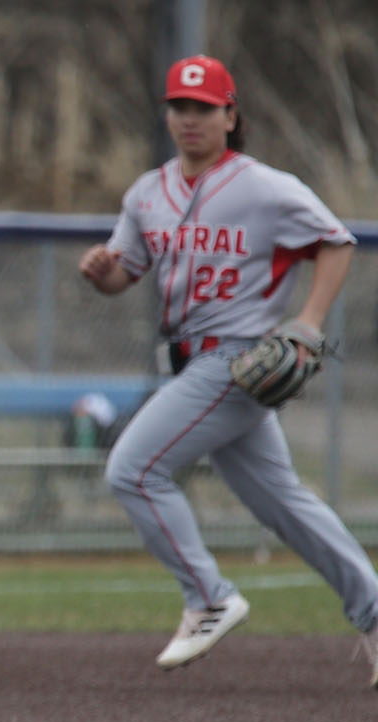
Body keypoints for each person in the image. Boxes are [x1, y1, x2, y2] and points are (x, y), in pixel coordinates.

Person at [78, 54, 378, 688]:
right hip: (191, 363)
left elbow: (336, 239)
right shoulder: (146, 193)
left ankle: (209, 597)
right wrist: (105, 274)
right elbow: (125, 273)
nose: (189, 118)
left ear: (229, 115)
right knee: (286, 507)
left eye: (203, 108)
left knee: (132, 469)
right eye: (179, 107)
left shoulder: (262, 186)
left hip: (237, 359)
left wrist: (310, 322)